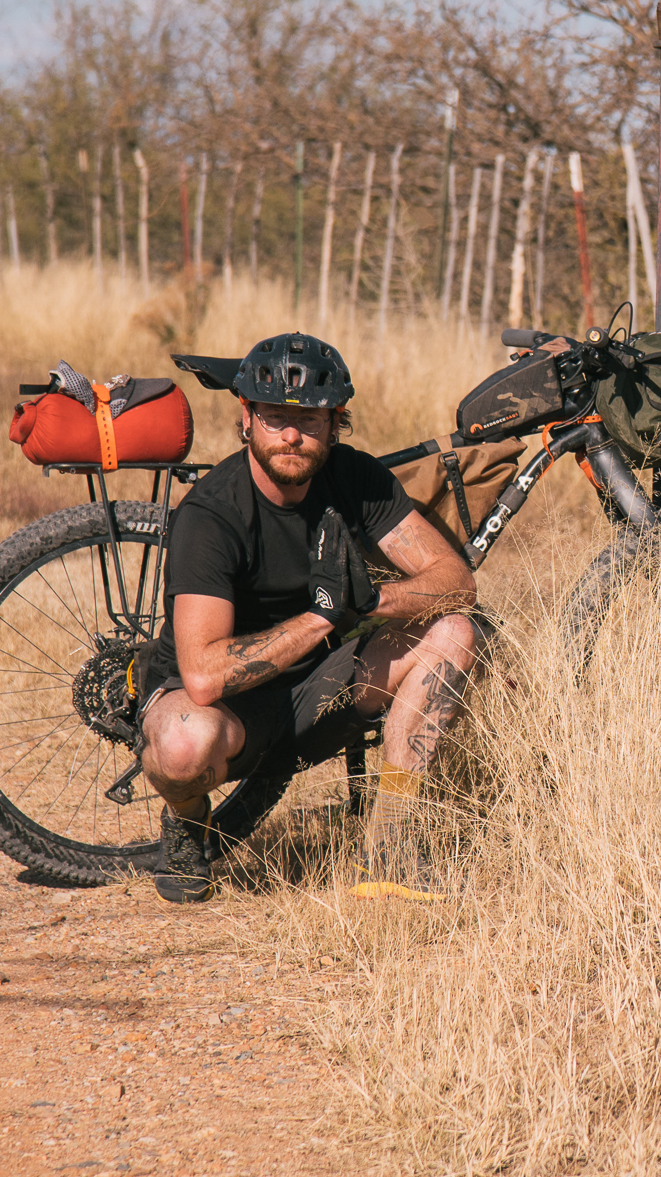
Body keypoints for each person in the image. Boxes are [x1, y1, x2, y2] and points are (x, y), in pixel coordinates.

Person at [139, 332, 478, 904]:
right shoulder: (212, 515)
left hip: (325, 686)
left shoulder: (354, 479)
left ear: (336, 421)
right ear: (245, 417)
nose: (292, 435)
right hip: (223, 705)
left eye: (312, 419)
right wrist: (322, 618)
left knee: (453, 633)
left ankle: (391, 844)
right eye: (275, 417)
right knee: (180, 746)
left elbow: (456, 582)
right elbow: (202, 676)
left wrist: (372, 604)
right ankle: (188, 823)